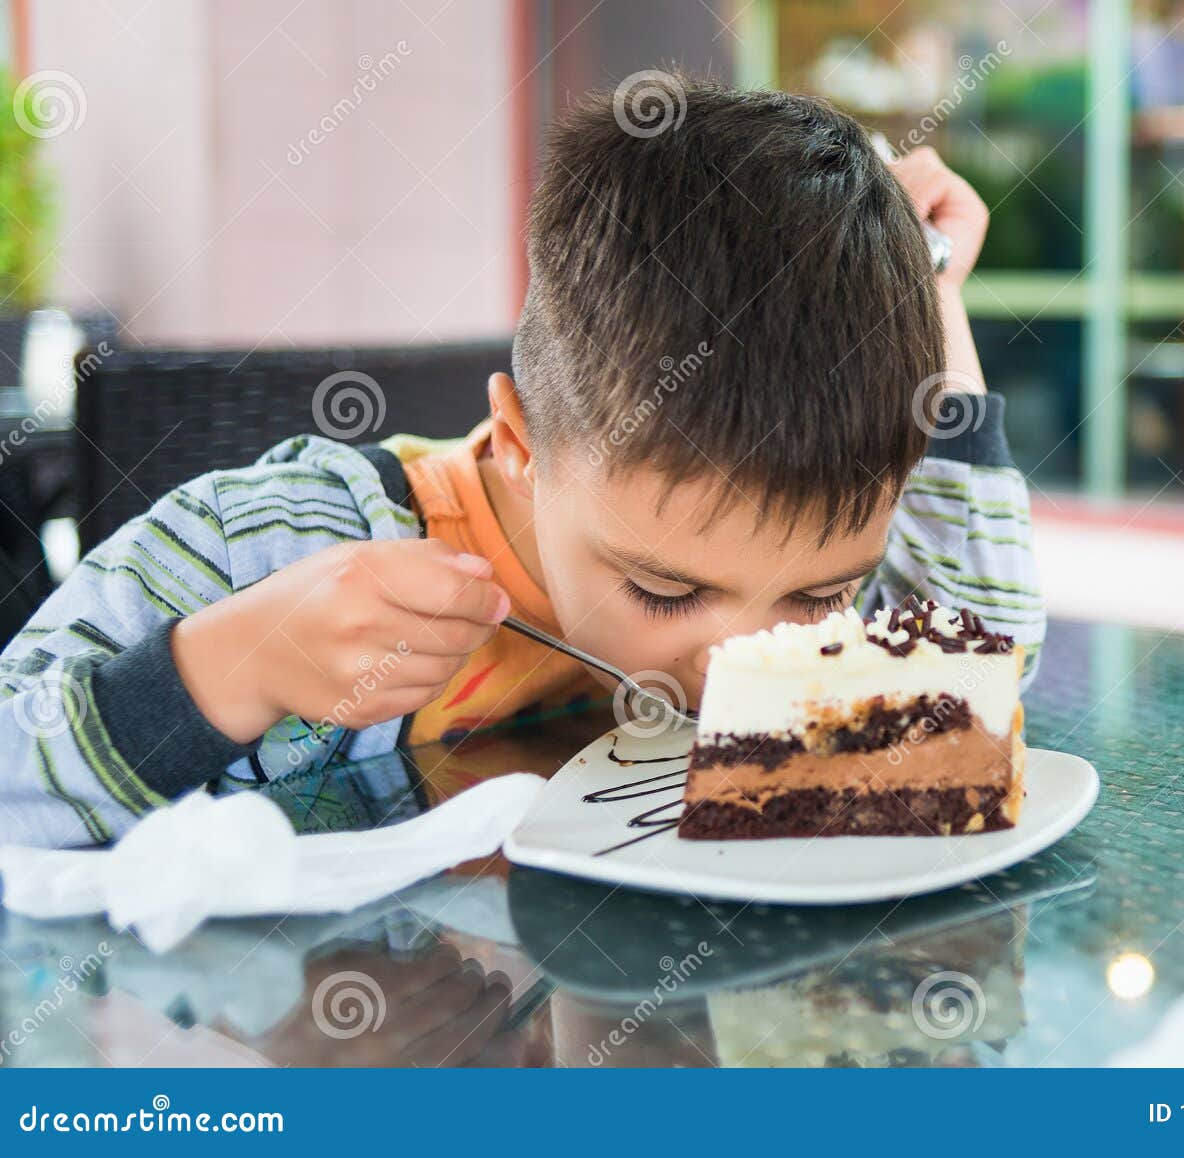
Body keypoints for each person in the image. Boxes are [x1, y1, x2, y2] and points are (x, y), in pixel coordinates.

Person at [0, 76, 1043, 849]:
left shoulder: (775, 574)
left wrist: (930, 294)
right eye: (664, 587)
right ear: (519, 444)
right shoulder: (269, 545)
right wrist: (233, 664)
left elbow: (975, 674)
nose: (741, 657)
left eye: (823, 594)